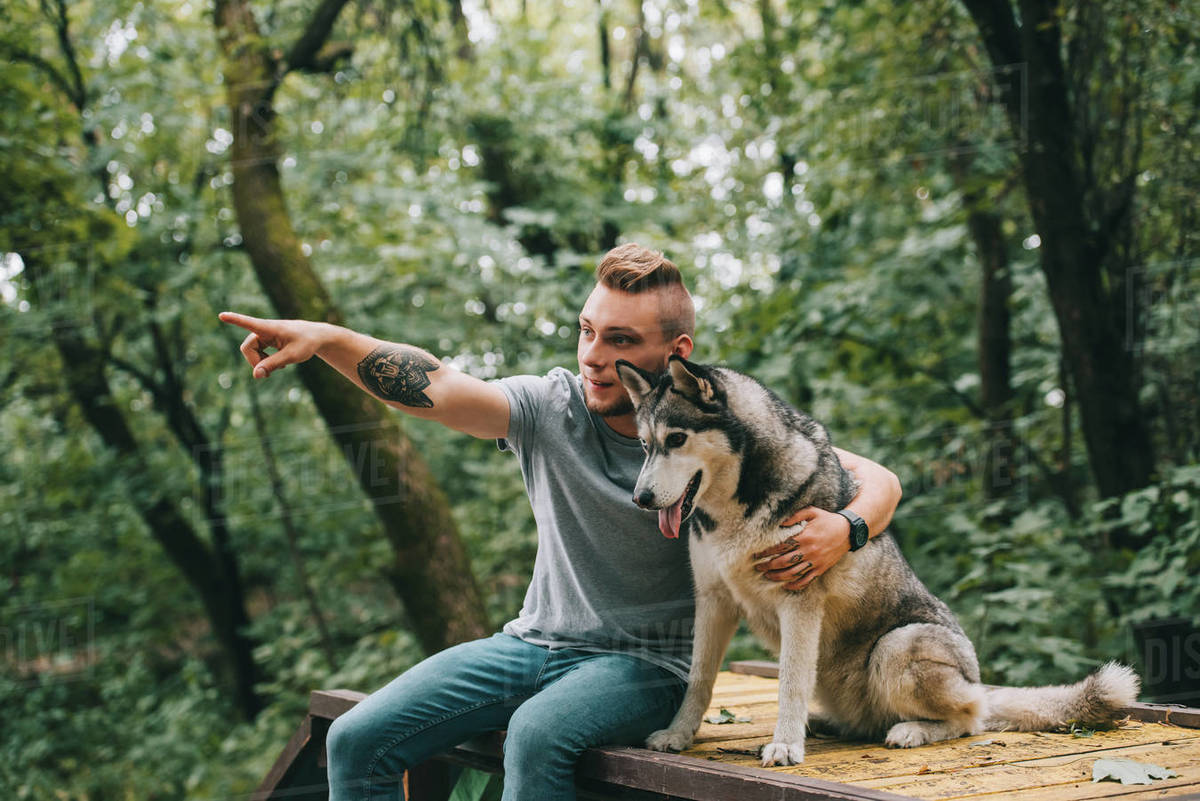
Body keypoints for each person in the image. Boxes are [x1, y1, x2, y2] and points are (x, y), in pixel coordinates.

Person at [218, 243, 902, 800]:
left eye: (620, 339)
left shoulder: (716, 427)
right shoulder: (549, 407)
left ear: (677, 351)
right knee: (353, 739)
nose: (594, 355)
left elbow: (879, 478)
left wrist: (846, 530)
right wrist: (328, 339)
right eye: (587, 330)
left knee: (536, 735)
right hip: (530, 644)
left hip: (647, 663)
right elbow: (436, 387)